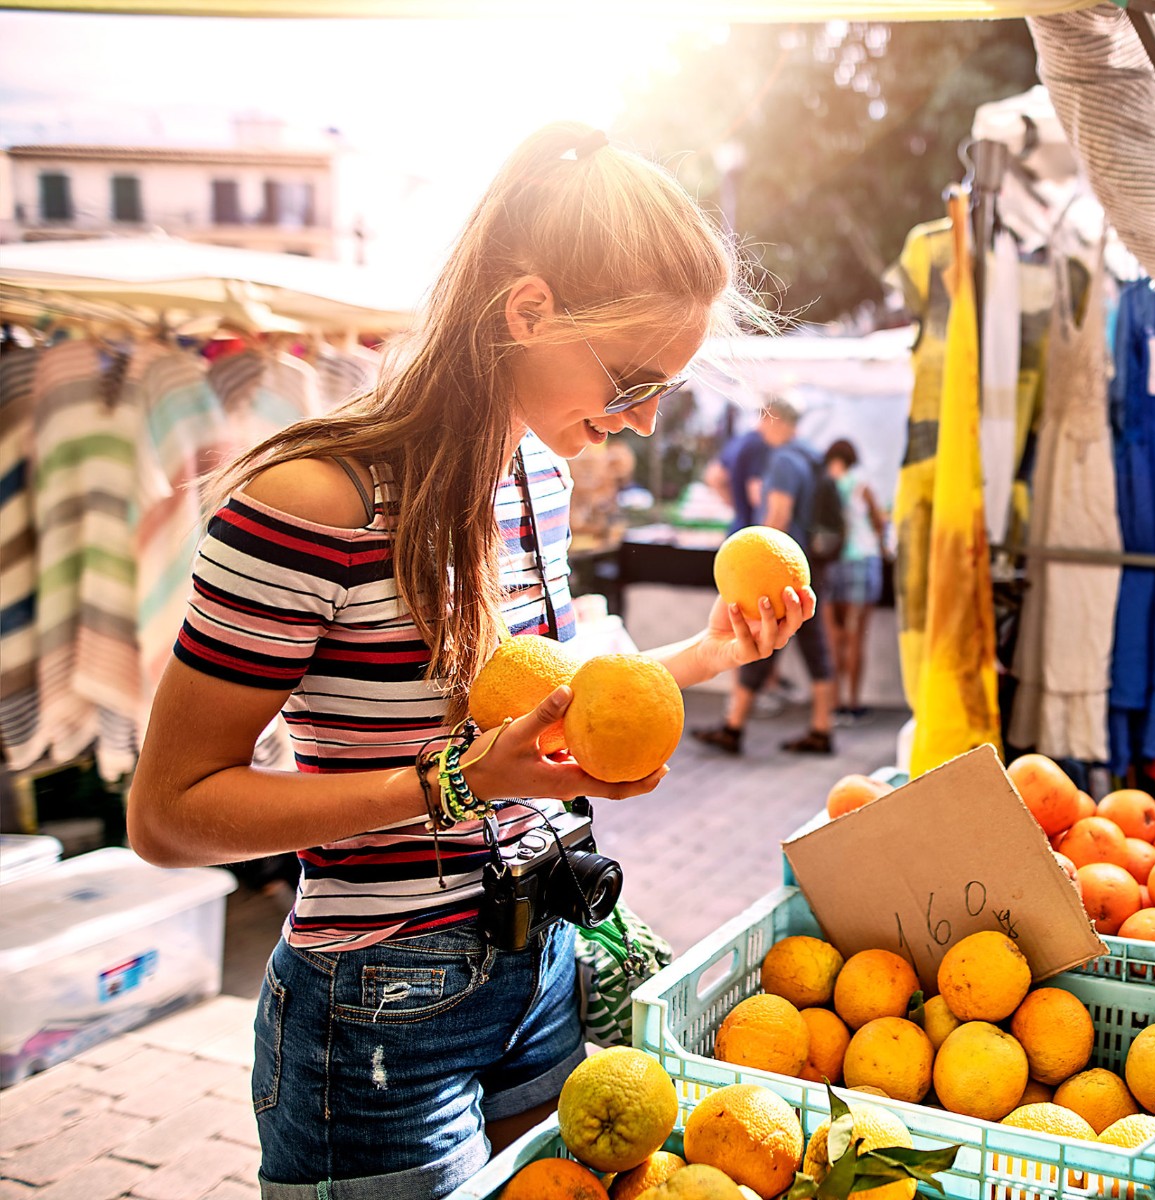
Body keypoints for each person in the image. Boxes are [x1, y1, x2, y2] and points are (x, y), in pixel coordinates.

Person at [126, 123, 815, 1200]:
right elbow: (167, 815)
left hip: (542, 967)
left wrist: (701, 656)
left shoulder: (536, 477)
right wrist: (459, 783)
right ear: (528, 309)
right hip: (377, 1015)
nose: (637, 421)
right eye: (632, 379)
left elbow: (528, 700)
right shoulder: (310, 502)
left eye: (661, 393)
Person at [694, 397, 837, 755]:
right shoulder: (807, 456)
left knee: (763, 644)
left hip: (782, 571)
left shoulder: (784, 460)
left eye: (763, 421)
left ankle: (737, 727)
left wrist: (754, 559)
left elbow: (777, 518)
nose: (759, 429)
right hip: (805, 567)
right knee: (806, 647)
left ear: (776, 422)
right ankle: (815, 728)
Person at [821, 439, 887, 724]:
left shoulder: (826, 482)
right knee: (856, 636)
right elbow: (880, 522)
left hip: (832, 562)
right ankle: (852, 702)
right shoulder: (861, 483)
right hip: (862, 560)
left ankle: (833, 703)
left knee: (834, 637)